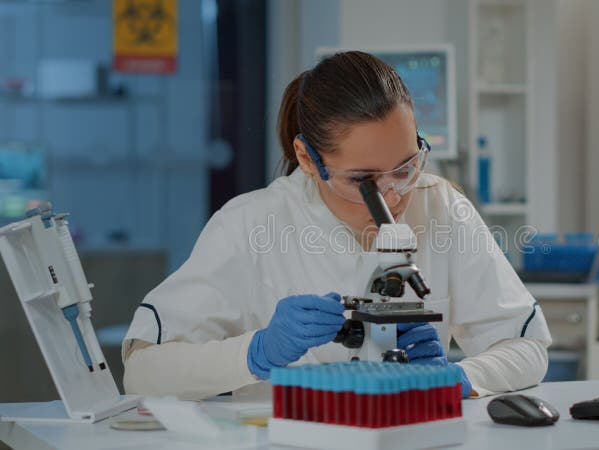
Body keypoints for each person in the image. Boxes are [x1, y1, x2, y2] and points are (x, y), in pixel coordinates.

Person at [122, 51, 551, 401]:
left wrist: (458, 377)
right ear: (308, 159)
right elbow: (143, 374)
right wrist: (254, 354)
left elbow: (528, 347)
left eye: (405, 167)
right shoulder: (249, 223)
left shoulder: (439, 205)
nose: (395, 198)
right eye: (363, 181)